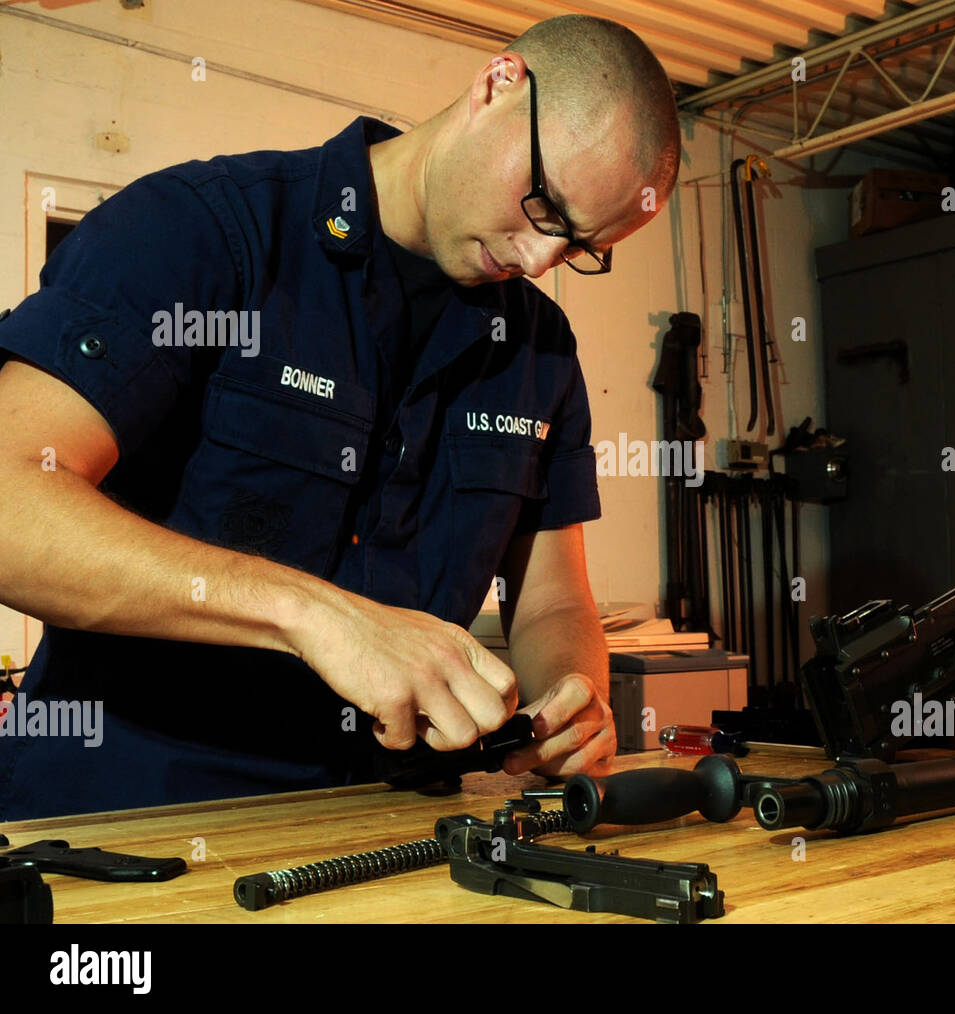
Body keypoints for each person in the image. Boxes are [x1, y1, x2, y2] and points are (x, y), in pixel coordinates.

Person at [0, 14, 680, 819]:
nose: (538, 260)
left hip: (386, 825)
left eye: (579, 246)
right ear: (498, 86)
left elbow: (552, 603)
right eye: (543, 205)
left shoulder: (536, 349)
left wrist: (575, 696)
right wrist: (315, 616)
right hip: (133, 824)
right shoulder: (204, 233)